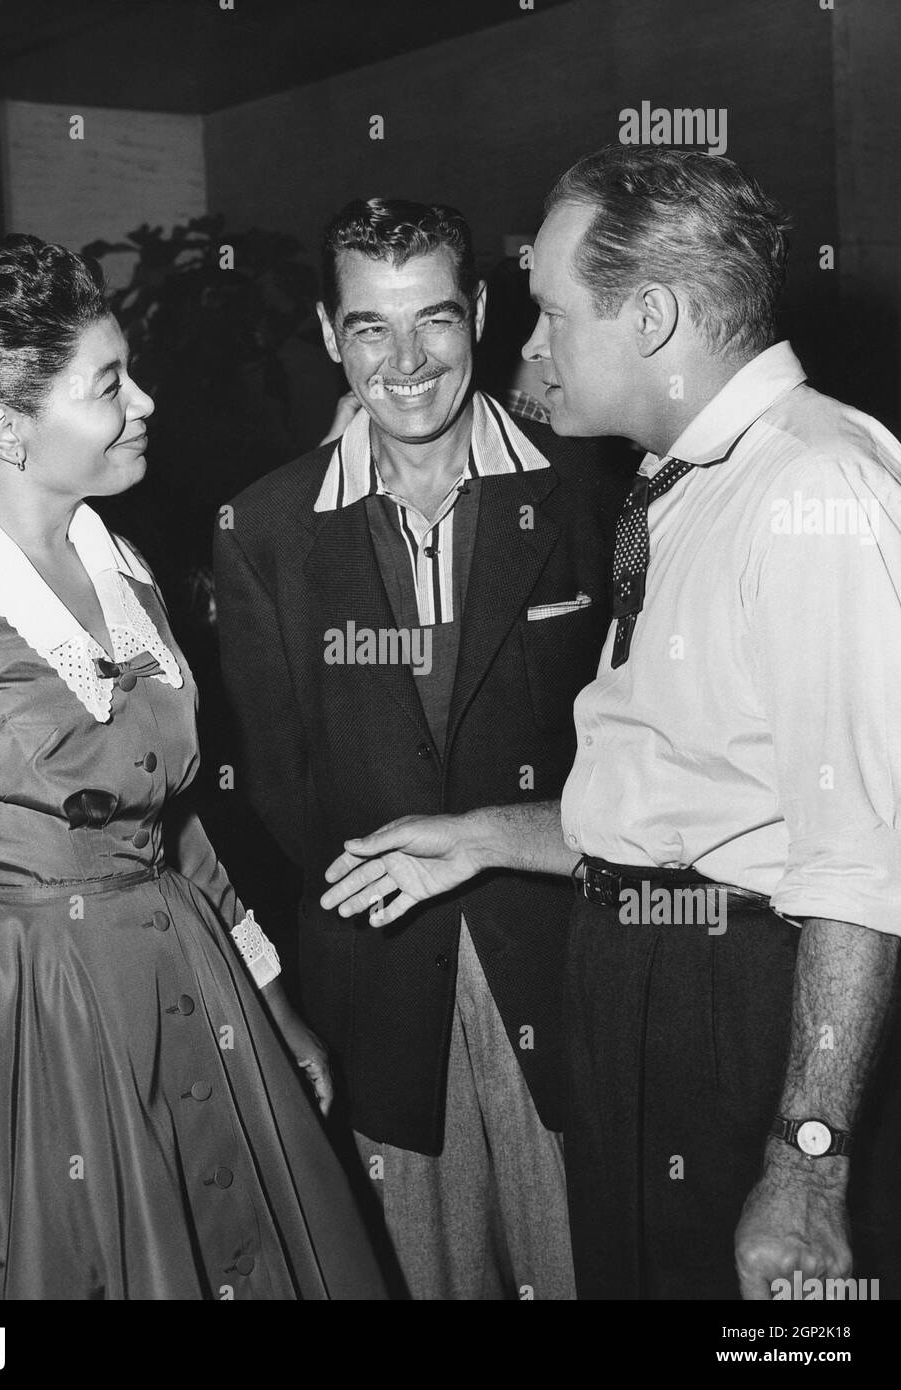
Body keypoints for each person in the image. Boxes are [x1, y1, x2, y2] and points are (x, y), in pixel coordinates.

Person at [320, 147, 901, 1301]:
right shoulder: (680, 483)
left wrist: (807, 1163)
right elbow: (686, 799)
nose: (526, 349)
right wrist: (486, 835)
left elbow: (863, 861)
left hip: (748, 1011)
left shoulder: (815, 489)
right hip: (645, 987)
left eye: (547, 313)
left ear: (650, 316)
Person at [0, 234, 385, 1301]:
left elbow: (174, 823)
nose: (145, 401)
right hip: (27, 1030)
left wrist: (274, 1004)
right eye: (109, 386)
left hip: (193, 983)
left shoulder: (124, 562)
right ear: (8, 428)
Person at [213, 198, 630, 1299]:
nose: (404, 363)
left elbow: (640, 752)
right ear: (325, 331)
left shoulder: (592, 490)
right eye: (369, 328)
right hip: (378, 985)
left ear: (483, 313)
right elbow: (281, 786)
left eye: (435, 321)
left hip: (571, 973)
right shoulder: (261, 529)